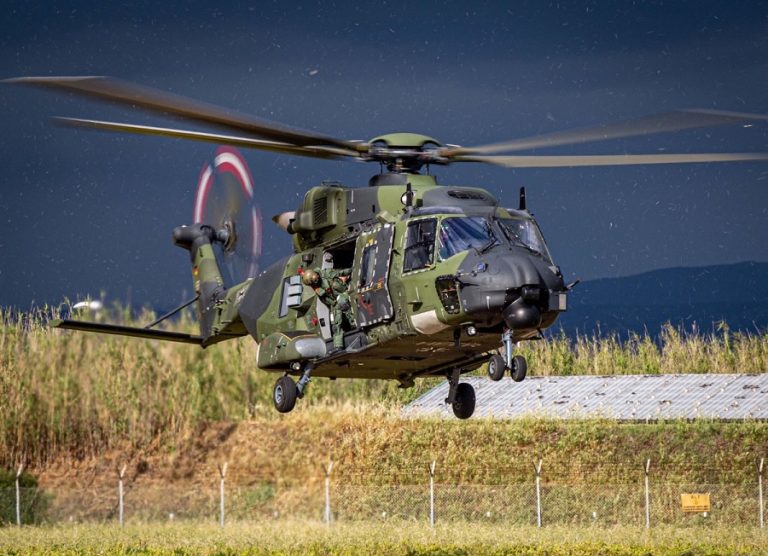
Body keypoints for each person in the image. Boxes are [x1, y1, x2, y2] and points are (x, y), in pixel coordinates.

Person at [302, 267, 355, 350]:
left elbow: (341, 272)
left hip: (344, 293)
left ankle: (354, 324)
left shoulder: (327, 273)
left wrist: (352, 270)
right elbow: (325, 299)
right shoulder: (316, 288)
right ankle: (338, 345)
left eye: (315, 280)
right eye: (313, 282)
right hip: (335, 301)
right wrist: (333, 304)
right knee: (335, 322)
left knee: (342, 302)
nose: (315, 282)